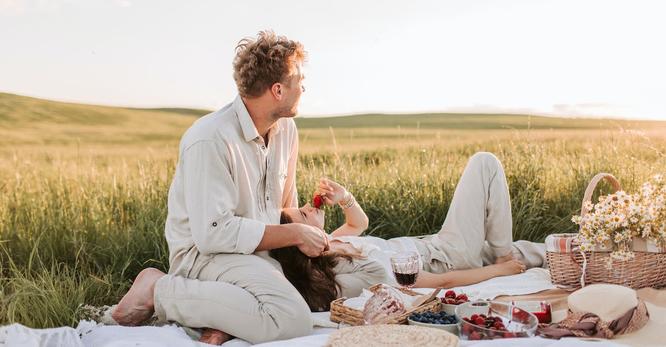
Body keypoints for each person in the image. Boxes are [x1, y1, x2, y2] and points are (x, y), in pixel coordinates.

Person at [111, 31, 333, 345]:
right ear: (278, 90)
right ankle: (158, 288)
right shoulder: (209, 139)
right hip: (205, 254)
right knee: (290, 318)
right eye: (299, 78)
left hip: (258, 252)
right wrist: (296, 234)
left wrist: (306, 222)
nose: (304, 86)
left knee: (332, 290)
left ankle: (221, 317)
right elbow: (213, 233)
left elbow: (282, 207)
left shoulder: (286, 130)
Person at [272, 152, 547, 308]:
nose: (311, 205)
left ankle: (570, 250)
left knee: (541, 251)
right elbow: (441, 282)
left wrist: (344, 196)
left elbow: (359, 224)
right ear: (301, 242)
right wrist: (499, 270)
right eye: (304, 213)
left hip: (435, 243)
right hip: (448, 257)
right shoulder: (349, 273)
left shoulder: (331, 243)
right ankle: (502, 255)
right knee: (484, 163)